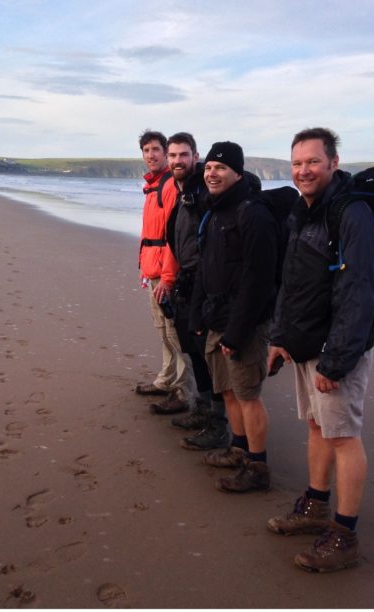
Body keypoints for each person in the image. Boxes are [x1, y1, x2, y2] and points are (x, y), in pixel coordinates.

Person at [266, 127, 374, 572]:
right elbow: (291, 283)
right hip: (305, 344)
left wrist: (337, 360)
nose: (303, 170)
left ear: (333, 162)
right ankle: (315, 508)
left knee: (343, 437)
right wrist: (280, 338)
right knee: (317, 428)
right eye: (297, 163)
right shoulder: (304, 211)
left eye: (312, 161)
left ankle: (345, 534)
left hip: (337, 351)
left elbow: (358, 293)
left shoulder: (353, 215)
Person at [189, 141, 280, 493]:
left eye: (221, 168)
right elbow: (204, 268)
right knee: (227, 392)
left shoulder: (252, 213)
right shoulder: (213, 210)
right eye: (209, 167)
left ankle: (258, 467)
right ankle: (238, 451)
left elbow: (260, 279)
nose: (212, 173)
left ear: (237, 173)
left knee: (247, 395)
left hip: (244, 325)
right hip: (216, 318)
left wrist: (237, 332)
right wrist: (197, 315)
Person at [161, 132, 228, 447]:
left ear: (195, 156)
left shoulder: (203, 192)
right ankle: (203, 410)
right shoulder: (184, 192)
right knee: (194, 353)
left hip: (204, 285)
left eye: (183, 155)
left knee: (207, 356)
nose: (177, 161)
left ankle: (219, 423)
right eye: (172, 156)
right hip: (187, 283)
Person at [134, 130, 196, 414]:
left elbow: (173, 235)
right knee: (163, 331)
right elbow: (150, 233)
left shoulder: (170, 185)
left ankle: (183, 392)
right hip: (154, 268)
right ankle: (166, 379)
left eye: (157, 149)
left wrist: (168, 277)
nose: (151, 155)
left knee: (173, 333)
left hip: (166, 271)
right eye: (146, 150)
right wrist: (144, 268)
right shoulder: (152, 186)